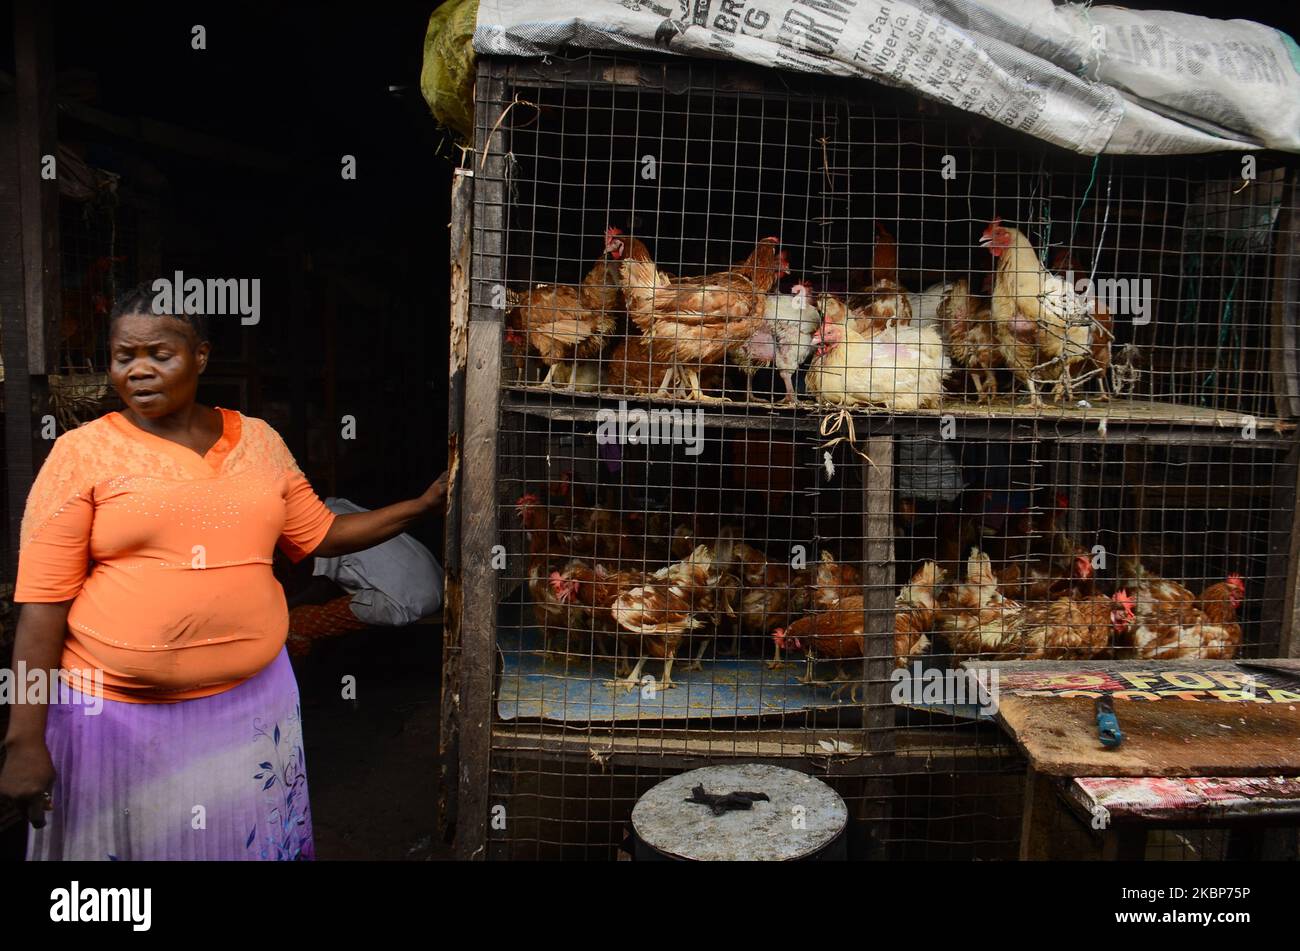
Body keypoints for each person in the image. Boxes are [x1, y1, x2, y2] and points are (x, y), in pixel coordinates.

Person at [0, 282, 447, 860]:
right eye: (123, 356)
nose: (139, 370)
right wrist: (24, 739)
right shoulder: (81, 455)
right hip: (112, 717)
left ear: (201, 357)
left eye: (160, 355)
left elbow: (320, 533)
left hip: (250, 710)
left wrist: (419, 507)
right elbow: (41, 607)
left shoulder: (259, 443)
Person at [284, 496, 444, 657]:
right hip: (435, 584)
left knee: (295, 624)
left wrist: (284, 607)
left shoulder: (323, 529)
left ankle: (301, 678)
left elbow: (320, 588)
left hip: (403, 601)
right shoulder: (337, 507)